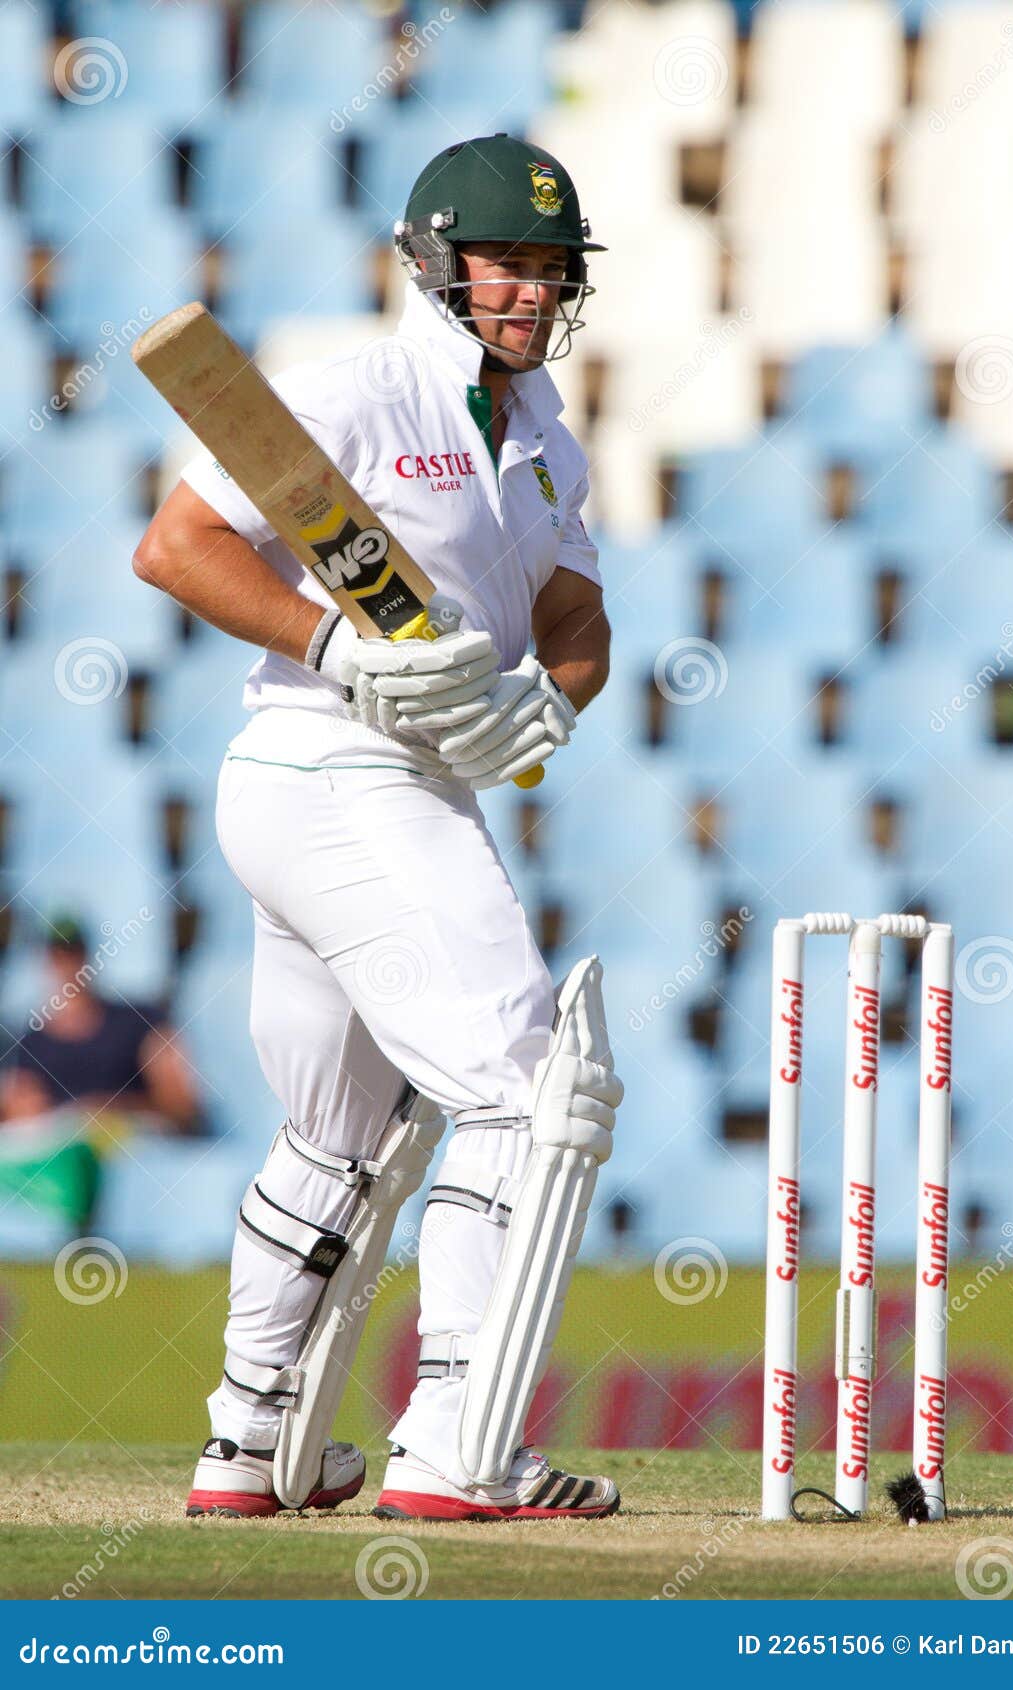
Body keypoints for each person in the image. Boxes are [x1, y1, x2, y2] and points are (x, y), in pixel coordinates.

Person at [134, 135, 622, 1522]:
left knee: (339, 1131)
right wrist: (332, 647)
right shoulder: (353, 388)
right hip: (330, 757)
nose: (530, 291)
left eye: (550, 268)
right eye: (507, 262)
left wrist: (551, 701)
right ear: (434, 260)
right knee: (531, 1088)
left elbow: (580, 616)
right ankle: (459, 1439)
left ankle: (251, 1439)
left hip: (378, 786)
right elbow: (176, 545)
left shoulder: (544, 444)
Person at [0, 915, 202, 1135]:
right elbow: (20, 1122)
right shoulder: (32, 1042)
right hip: (68, 1153)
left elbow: (183, 1109)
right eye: (58, 955)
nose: (67, 963)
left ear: (87, 955)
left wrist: (110, 1110)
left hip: (141, 1147)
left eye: (73, 952)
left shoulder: (139, 1021)